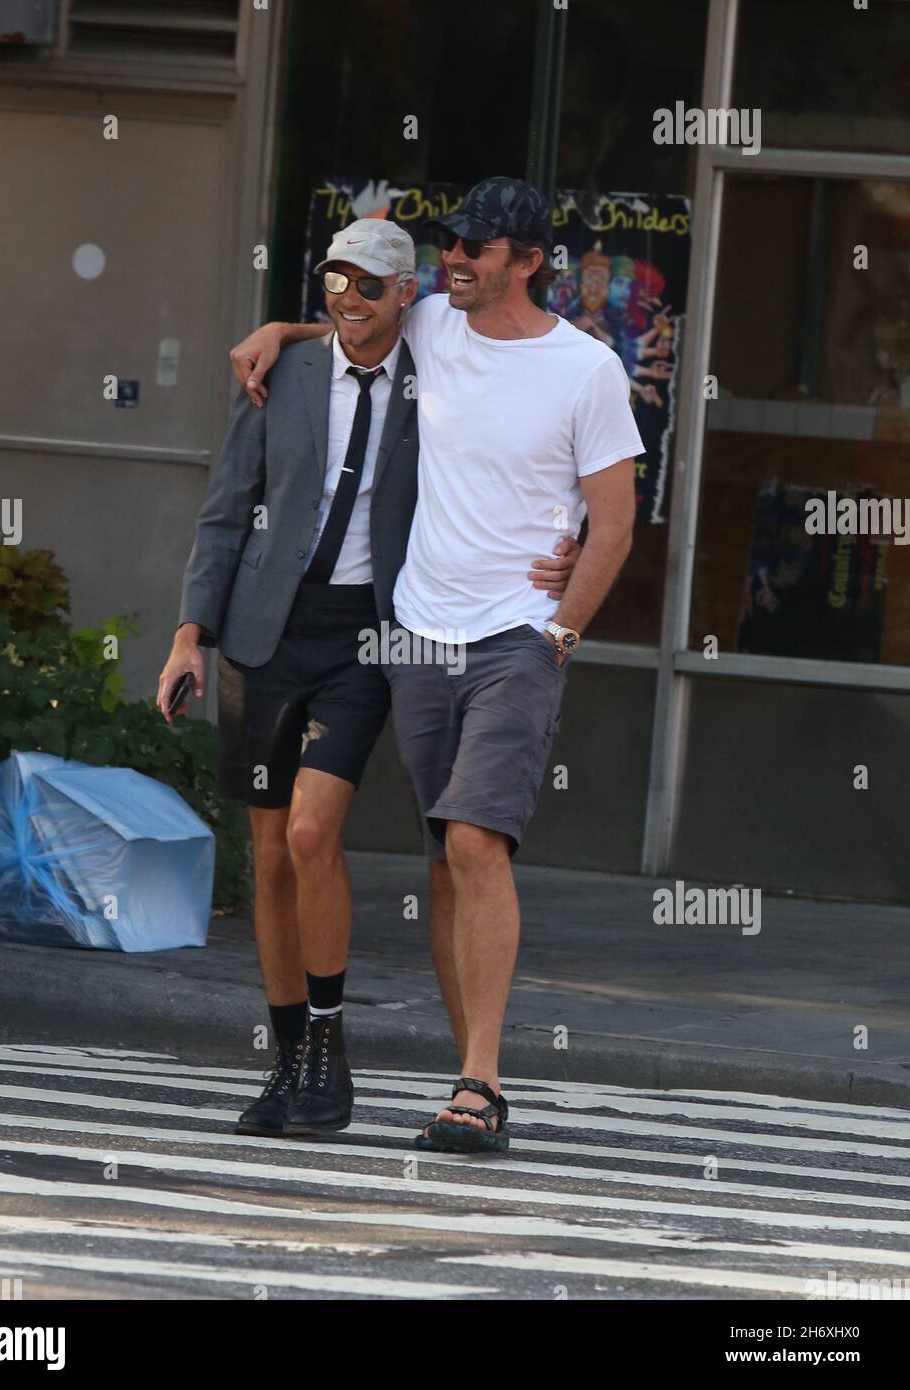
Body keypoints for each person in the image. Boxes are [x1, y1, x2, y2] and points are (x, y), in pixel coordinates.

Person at [230, 177, 644, 1154]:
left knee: (474, 842)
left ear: (528, 261)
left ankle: (481, 1085)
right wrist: (280, 332)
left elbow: (617, 523)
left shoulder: (587, 370)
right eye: (450, 240)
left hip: (518, 640)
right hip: (416, 635)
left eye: (476, 246)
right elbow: (356, 318)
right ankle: (468, 1073)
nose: (453, 257)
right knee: (446, 860)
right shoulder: (431, 323)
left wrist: (561, 633)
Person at [157, 216, 576, 1139]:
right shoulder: (281, 375)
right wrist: (190, 636)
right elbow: (225, 513)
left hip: (368, 638)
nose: (348, 300)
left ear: (407, 296)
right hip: (263, 633)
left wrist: (570, 535)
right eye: (333, 282)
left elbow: (518, 441)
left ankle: (329, 1042)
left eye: (369, 286)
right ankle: (292, 1063)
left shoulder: (437, 373)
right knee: (269, 853)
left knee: (312, 832)